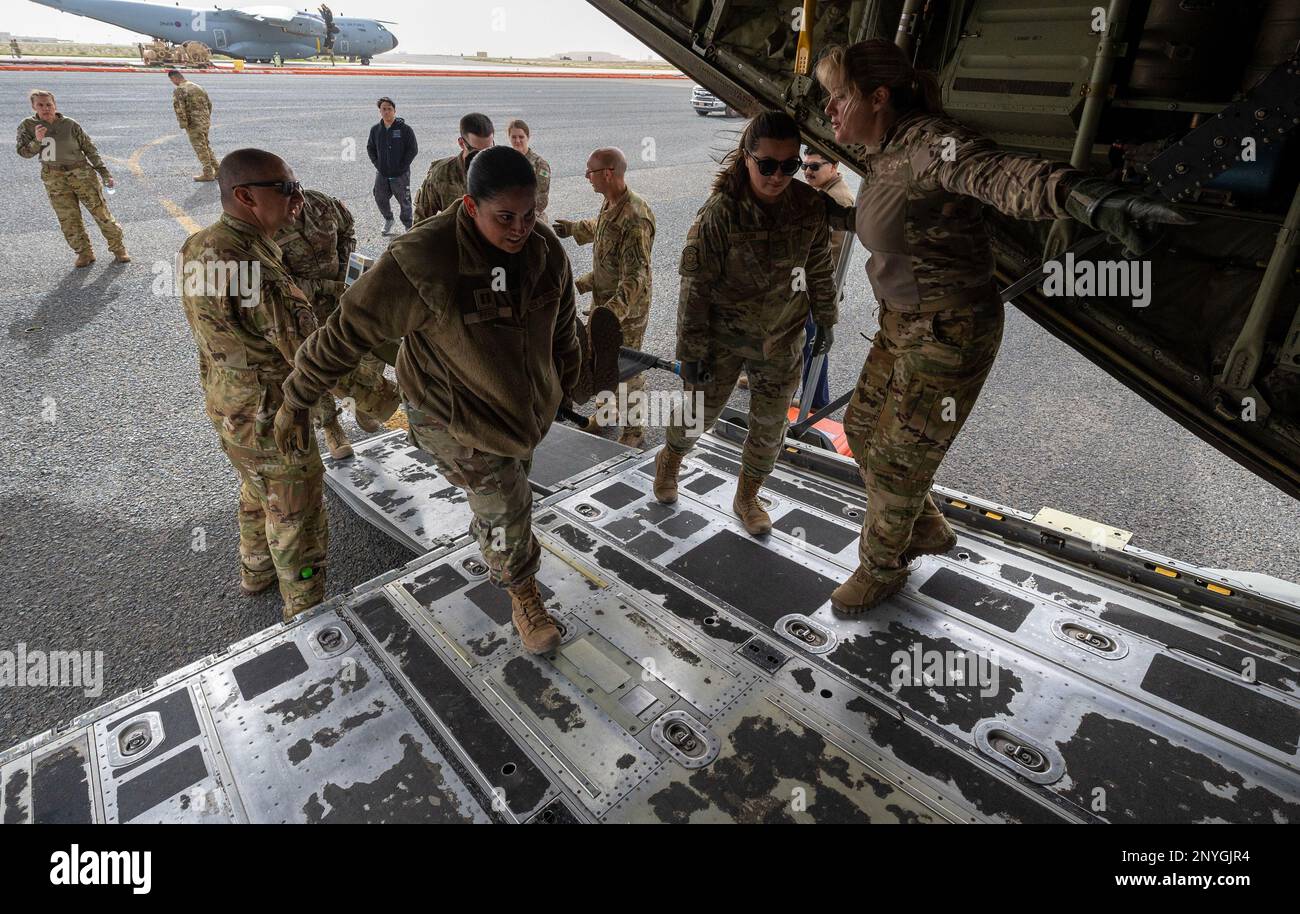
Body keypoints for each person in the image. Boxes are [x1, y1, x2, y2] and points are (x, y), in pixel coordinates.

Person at [814, 39, 1188, 614]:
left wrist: (1078, 196)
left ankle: (880, 569)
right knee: (862, 432)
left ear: (878, 96)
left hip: (948, 330)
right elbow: (895, 220)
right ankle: (925, 527)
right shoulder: (884, 151)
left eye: (839, 97)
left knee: (896, 461)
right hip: (902, 323)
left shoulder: (926, 144)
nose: (830, 111)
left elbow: (994, 174)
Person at [276, 146, 582, 655]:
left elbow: (565, 328)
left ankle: (492, 527)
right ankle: (522, 593)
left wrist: (569, 381)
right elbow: (344, 334)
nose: (519, 229)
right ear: (469, 207)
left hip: (520, 411)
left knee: (510, 483)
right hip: (451, 412)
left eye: (529, 215)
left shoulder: (545, 250)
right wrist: (296, 401)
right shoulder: (421, 262)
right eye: (504, 217)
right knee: (507, 503)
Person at [652, 111, 836, 535]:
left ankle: (748, 495)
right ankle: (670, 461)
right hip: (723, 340)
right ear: (747, 157)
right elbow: (694, 289)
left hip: (782, 339)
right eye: (766, 165)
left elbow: (819, 266)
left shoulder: (808, 206)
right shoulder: (722, 213)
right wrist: (691, 354)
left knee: (771, 426)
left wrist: (825, 317)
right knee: (700, 415)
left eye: (789, 166)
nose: (777, 176)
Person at [179, 148, 327, 621]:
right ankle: (305, 613)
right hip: (270, 415)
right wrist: (382, 394)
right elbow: (310, 353)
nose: (296, 197)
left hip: (228, 405)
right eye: (285, 189)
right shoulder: (253, 267)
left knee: (254, 489)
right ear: (245, 196)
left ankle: (255, 570)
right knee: (294, 514)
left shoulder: (200, 245)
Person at [273, 188, 400, 459]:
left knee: (368, 346)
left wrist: (347, 266)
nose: (296, 200)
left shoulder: (320, 203)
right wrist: (328, 286)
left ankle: (364, 405)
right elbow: (279, 283)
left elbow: (347, 228)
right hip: (303, 308)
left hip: (343, 295)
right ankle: (331, 426)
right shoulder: (269, 225)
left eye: (296, 189)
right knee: (317, 364)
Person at [554, 147, 655, 448]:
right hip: (604, 306)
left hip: (625, 313)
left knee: (626, 369)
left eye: (591, 171)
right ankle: (606, 413)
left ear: (608, 173)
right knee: (600, 364)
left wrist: (609, 316)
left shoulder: (636, 218)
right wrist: (574, 230)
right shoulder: (611, 203)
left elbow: (637, 276)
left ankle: (634, 430)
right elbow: (601, 229)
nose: (586, 176)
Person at [16, 89, 129, 268]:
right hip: (54, 177)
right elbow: (23, 152)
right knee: (68, 218)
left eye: (48, 104)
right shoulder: (28, 126)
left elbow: (90, 148)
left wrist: (104, 173)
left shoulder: (69, 124)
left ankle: (118, 249)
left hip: (81, 173)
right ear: (33, 106)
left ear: (55, 105)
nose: (45, 108)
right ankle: (84, 253)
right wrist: (38, 140)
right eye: (40, 105)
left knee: (101, 213)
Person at [795, 147, 856, 410]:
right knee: (802, 340)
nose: (808, 172)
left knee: (813, 343)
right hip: (810, 284)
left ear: (834, 166)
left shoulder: (837, 201)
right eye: (804, 166)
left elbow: (830, 256)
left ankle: (816, 402)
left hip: (816, 288)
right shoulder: (824, 193)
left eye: (814, 167)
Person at [413, 112, 494, 222]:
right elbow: (420, 221)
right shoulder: (441, 174)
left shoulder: (504, 170)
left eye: (489, 149)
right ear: (461, 143)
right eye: (476, 151)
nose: (484, 156)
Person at [367, 96, 418, 234]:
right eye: (384, 109)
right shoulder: (376, 130)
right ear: (380, 111)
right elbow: (370, 148)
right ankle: (388, 219)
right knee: (379, 197)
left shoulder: (405, 129)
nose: (386, 112)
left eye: (389, 109)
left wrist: (402, 167)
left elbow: (413, 149)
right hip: (382, 173)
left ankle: (408, 225)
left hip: (400, 174)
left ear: (394, 111)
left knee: (404, 201)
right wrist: (378, 164)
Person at [168, 69, 218, 182]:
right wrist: (206, 118)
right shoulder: (198, 87)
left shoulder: (180, 90)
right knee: (205, 145)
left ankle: (208, 173)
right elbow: (209, 104)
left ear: (174, 78)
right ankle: (218, 169)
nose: (173, 82)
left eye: (172, 80)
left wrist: (183, 124)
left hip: (194, 123)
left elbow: (180, 109)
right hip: (204, 121)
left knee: (200, 148)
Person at [507, 118, 551, 222]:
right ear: (509, 138)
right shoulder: (504, 161)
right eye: (514, 137)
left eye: (521, 137)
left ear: (528, 137)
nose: (517, 141)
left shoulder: (540, 164)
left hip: (530, 216)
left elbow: (542, 197)